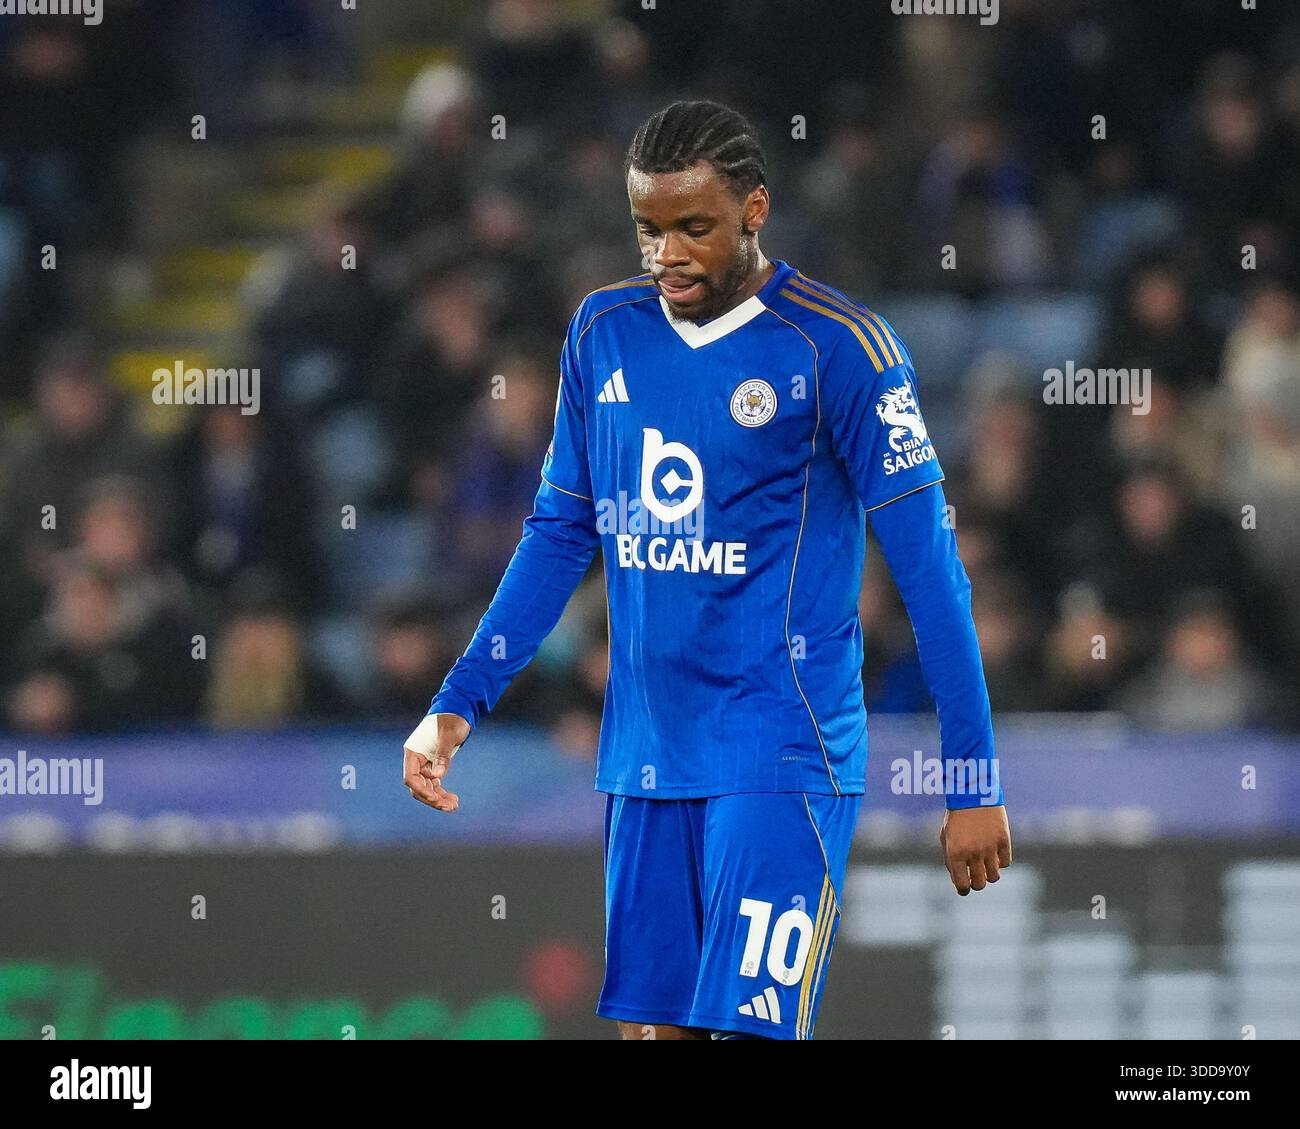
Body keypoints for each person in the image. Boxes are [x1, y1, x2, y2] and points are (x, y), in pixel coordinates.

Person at [402, 101, 1011, 1040]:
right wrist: (458, 699)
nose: (669, 254)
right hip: (646, 753)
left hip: (781, 748)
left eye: (696, 227)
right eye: (649, 230)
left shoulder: (842, 348)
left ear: (755, 209)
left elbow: (932, 575)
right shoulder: (603, 333)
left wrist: (970, 779)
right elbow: (563, 533)